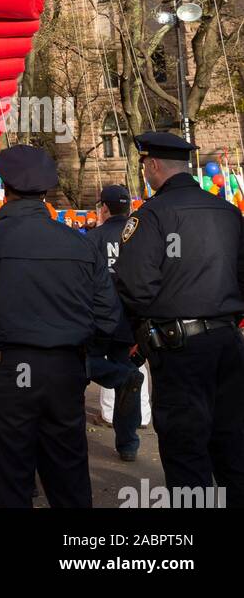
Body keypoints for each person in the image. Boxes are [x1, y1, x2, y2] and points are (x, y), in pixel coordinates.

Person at [0, 145, 123, 509]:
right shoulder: (78, 243)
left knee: (12, 478)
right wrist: (103, 355)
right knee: (68, 474)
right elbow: (108, 313)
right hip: (64, 369)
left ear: (5, 188)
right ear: (46, 191)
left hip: (7, 371)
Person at [115, 130, 244, 505]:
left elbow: (135, 287)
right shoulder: (227, 212)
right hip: (226, 342)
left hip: (179, 348)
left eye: (144, 166)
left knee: (187, 452)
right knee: (232, 445)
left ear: (152, 165)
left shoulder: (152, 216)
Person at [85, 183, 144, 462]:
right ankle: (128, 443)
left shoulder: (92, 238)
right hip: (128, 322)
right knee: (128, 383)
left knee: (81, 369)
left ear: (104, 208)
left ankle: (70, 435)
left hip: (96, 319)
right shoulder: (139, 236)